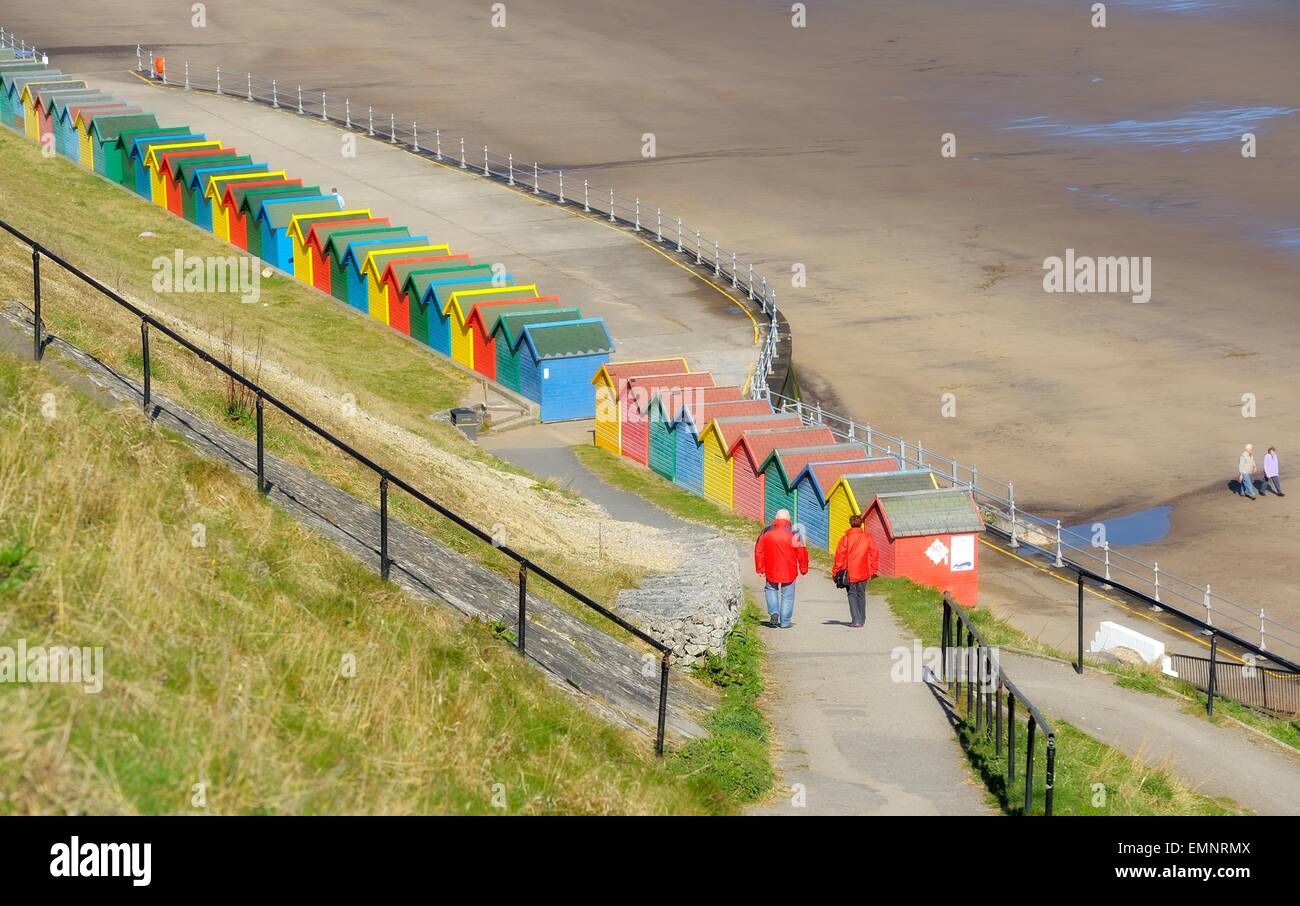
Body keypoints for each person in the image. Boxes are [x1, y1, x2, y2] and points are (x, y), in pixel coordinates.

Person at [754, 509, 808, 628]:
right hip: (789, 570)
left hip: (770, 568)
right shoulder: (795, 533)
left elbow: (759, 550)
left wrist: (760, 568)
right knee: (787, 596)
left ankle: (774, 612)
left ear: (776, 517)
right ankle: (785, 622)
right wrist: (803, 568)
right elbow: (802, 552)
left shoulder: (766, 531)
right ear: (789, 519)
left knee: (770, 589)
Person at [833, 513, 879, 628]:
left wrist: (835, 571)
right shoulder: (867, 537)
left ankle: (856, 620)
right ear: (861, 524)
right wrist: (873, 570)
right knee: (861, 594)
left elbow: (839, 557)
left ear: (850, 524)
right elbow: (874, 553)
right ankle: (862, 619)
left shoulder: (845, 539)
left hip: (850, 573)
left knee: (851, 594)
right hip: (864, 572)